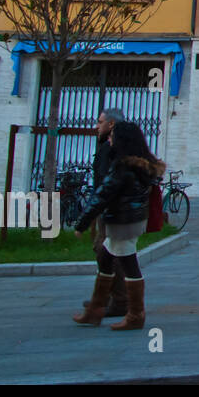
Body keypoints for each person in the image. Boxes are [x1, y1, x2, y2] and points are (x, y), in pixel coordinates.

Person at [72, 121, 165, 330]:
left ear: (122, 140)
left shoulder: (123, 167)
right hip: (134, 220)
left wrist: (82, 223)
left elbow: (102, 196)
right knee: (105, 259)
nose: (109, 139)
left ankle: (135, 315)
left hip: (122, 222)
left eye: (113, 136)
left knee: (130, 265)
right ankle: (95, 310)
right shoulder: (143, 165)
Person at [81, 108, 128, 317]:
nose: (96, 126)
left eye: (100, 122)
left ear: (111, 125)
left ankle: (118, 300)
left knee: (109, 252)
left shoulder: (117, 148)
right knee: (105, 251)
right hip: (106, 207)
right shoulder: (107, 145)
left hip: (113, 209)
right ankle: (108, 298)